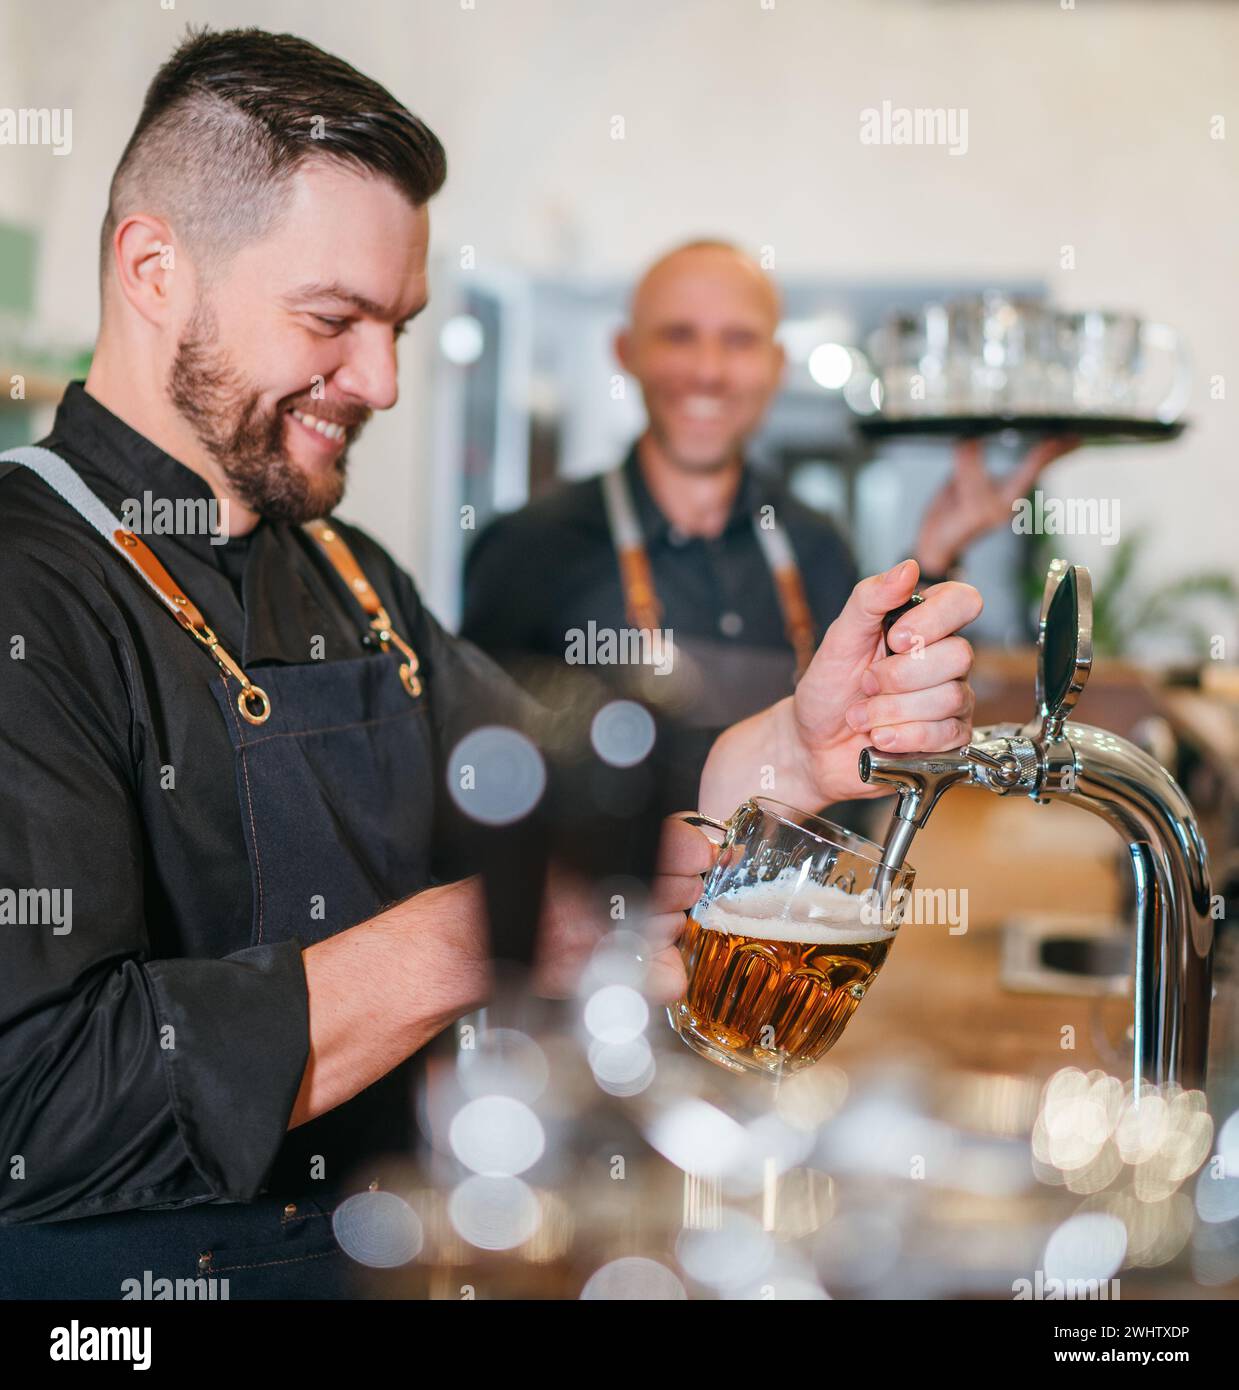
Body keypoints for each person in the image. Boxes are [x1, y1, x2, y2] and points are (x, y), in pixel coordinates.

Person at [0, 28, 981, 1299]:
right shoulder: (32, 585)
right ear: (153, 269)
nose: (385, 379)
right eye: (333, 320)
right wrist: (494, 931)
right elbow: (38, 1100)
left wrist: (793, 748)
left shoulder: (349, 574)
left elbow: (575, 789)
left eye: (398, 324)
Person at [461, 241, 1075, 808]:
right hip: (610, 923)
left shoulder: (816, 544)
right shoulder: (528, 550)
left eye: (739, 340)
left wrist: (935, 554)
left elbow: (861, 729)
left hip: (785, 913)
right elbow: (483, 774)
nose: (708, 370)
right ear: (627, 351)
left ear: (775, 364)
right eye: (678, 336)